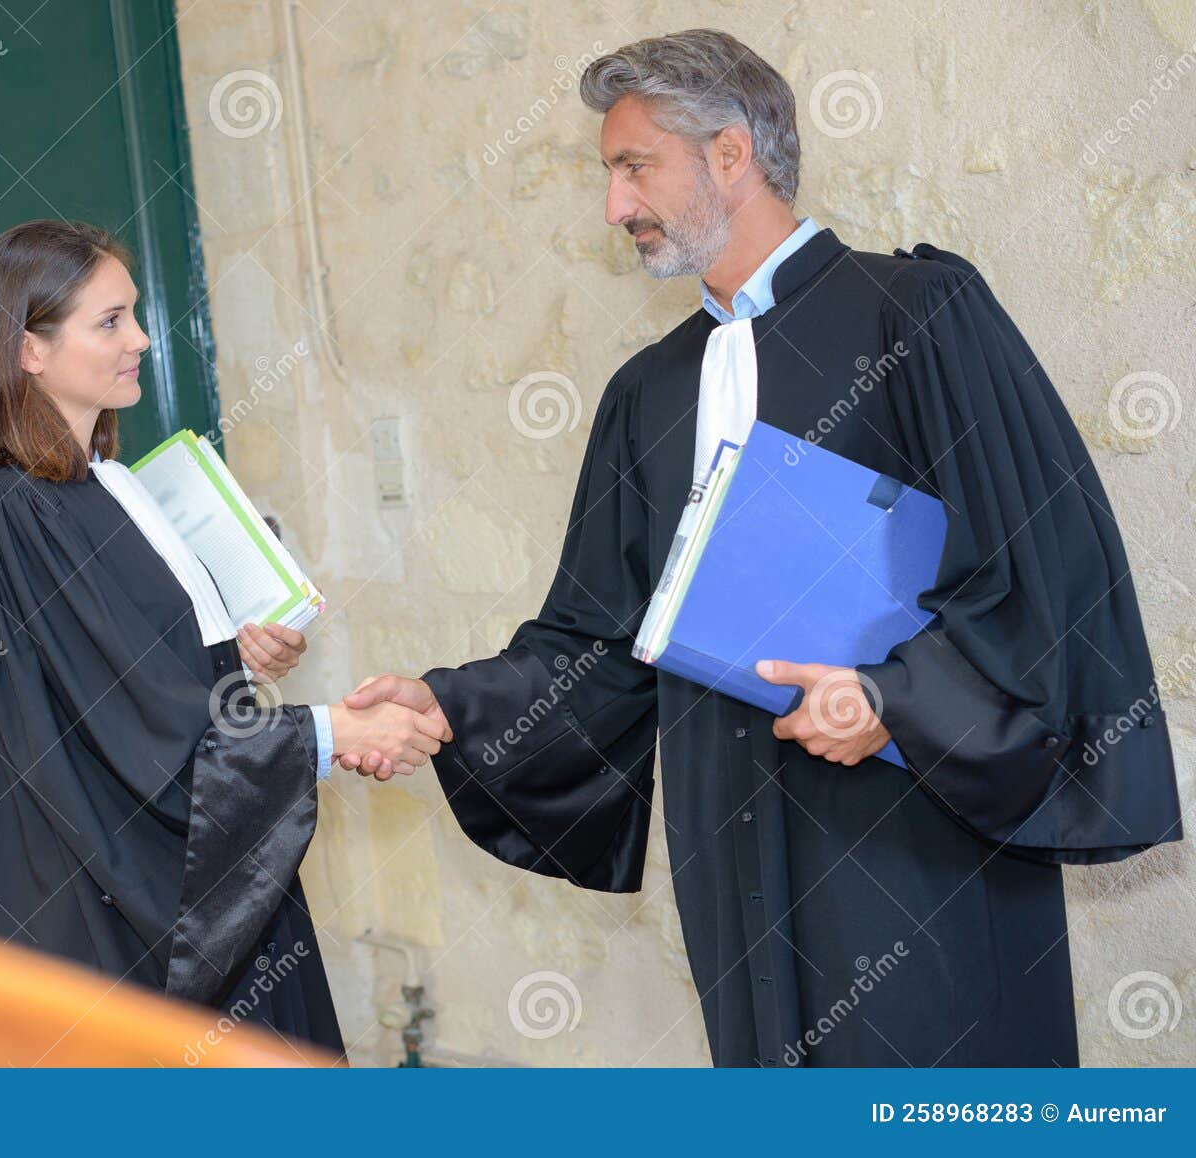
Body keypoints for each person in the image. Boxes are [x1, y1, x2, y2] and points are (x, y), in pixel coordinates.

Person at [341, 30, 1183, 1066]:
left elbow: (1038, 568)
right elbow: (599, 641)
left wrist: (893, 700)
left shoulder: (916, 317)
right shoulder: (647, 392)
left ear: (731, 153)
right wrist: (450, 704)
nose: (613, 205)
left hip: (910, 836)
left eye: (633, 166)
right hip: (727, 848)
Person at [0, 220, 443, 1055]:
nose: (141, 339)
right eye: (110, 321)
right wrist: (334, 733)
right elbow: (136, 732)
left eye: (134, 314)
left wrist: (234, 656)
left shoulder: (101, 485)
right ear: (28, 349)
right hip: (125, 903)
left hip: (210, 869)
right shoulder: (20, 508)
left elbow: (126, 672)